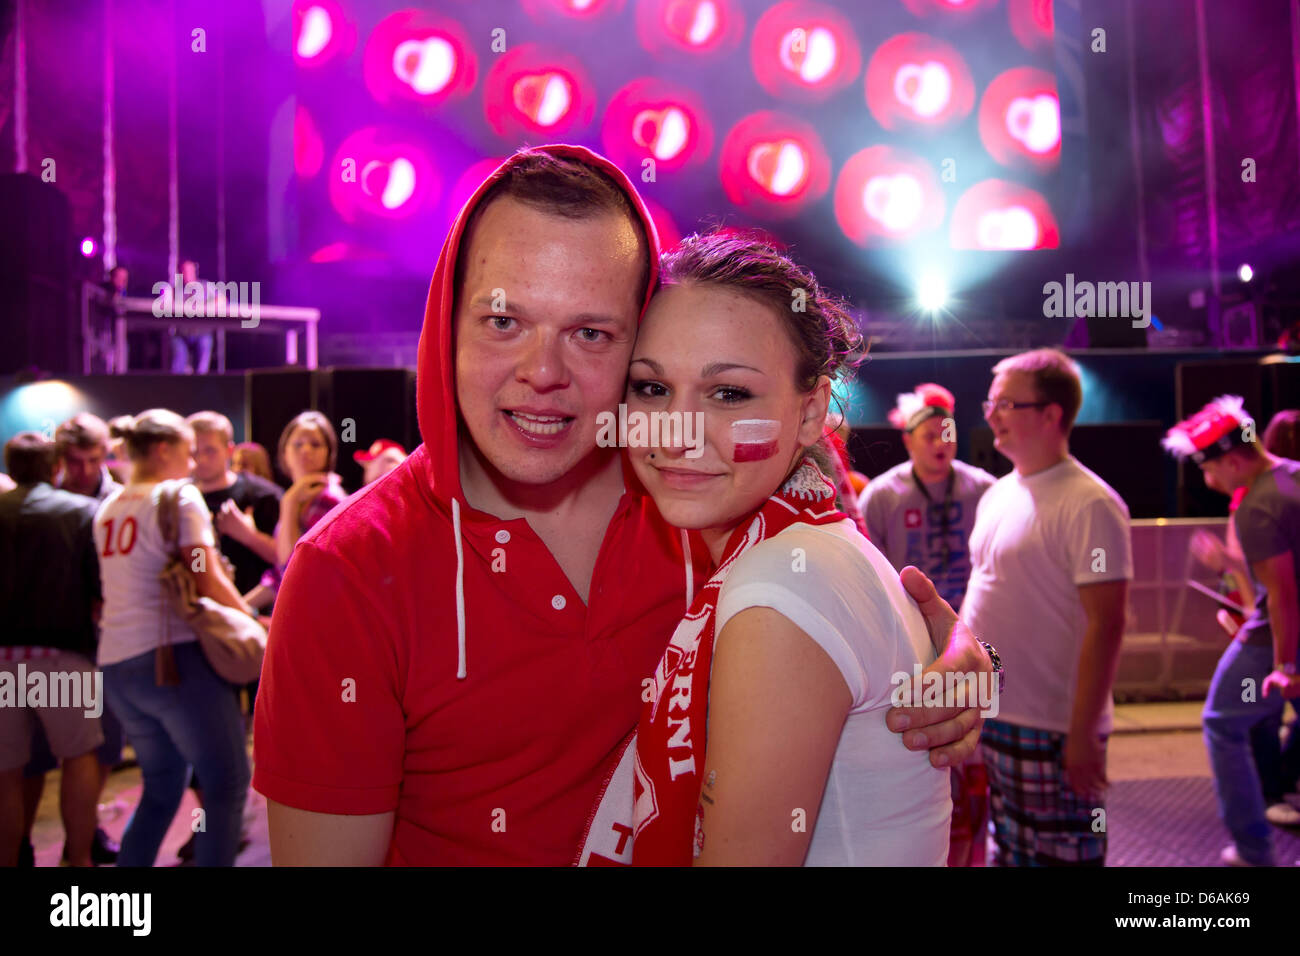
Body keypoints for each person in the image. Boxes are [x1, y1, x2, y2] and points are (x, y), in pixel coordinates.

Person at [253, 145, 991, 866]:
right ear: (446, 324)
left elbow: (852, 609)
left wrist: (955, 664)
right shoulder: (345, 575)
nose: (543, 373)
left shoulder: (692, 498)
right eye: (504, 321)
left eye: (590, 333)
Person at [579, 232, 958, 865]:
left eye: (729, 394)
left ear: (810, 414)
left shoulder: (780, 585)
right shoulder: (802, 547)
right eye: (651, 388)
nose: (678, 434)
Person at [963, 348, 1132, 866]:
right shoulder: (999, 493)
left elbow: (1107, 624)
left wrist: (1081, 734)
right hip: (995, 715)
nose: (991, 414)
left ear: (1051, 414)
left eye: (1006, 403)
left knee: (1062, 857)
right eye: (992, 402)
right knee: (1009, 849)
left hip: (1053, 726)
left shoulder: (1090, 503)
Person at [94, 409, 252, 866]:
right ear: (164, 450)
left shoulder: (110, 507)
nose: (192, 464)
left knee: (161, 785)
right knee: (226, 783)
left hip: (118, 665)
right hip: (174, 659)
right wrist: (246, 619)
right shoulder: (178, 496)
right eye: (187, 451)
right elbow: (202, 572)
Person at [860, 383, 997, 866]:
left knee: (980, 760)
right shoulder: (882, 496)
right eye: (931, 434)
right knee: (929, 760)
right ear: (909, 440)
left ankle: (974, 857)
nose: (942, 442)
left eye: (950, 434)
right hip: (913, 650)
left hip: (980, 640)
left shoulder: (984, 489)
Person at [1164, 396, 1300, 866]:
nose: (1209, 481)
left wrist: (1285, 666)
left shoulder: (1257, 505)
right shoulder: (1293, 475)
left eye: (1210, 470)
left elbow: (1283, 594)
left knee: (1222, 724)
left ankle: (1253, 851)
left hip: (1275, 641)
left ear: (1232, 459)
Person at [0, 432, 104, 868]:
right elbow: (99, 591)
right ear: (55, 464)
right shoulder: (83, 512)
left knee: (5, 770)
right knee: (79, 756)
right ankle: (78, 860)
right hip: (65, 655)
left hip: (2, 658)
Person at [55, 413, 122, 502]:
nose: (86, 470)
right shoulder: (43, 500)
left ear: (104, 455)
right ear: (61, 457)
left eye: (93, 460)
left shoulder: (122, 500)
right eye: (75, 461)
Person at [167, 260, 214, 374]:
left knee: (206, 342)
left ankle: (200, 383)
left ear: (195, 271)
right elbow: (165, 305)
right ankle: (176, 385)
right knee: (178, 354)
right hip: (181, 334)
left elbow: (222, 300)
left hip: (201, 333)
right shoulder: (173, 289)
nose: (186, 273)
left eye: (189, 270)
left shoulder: (205, 286)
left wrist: (205, 306)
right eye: (184, 271)